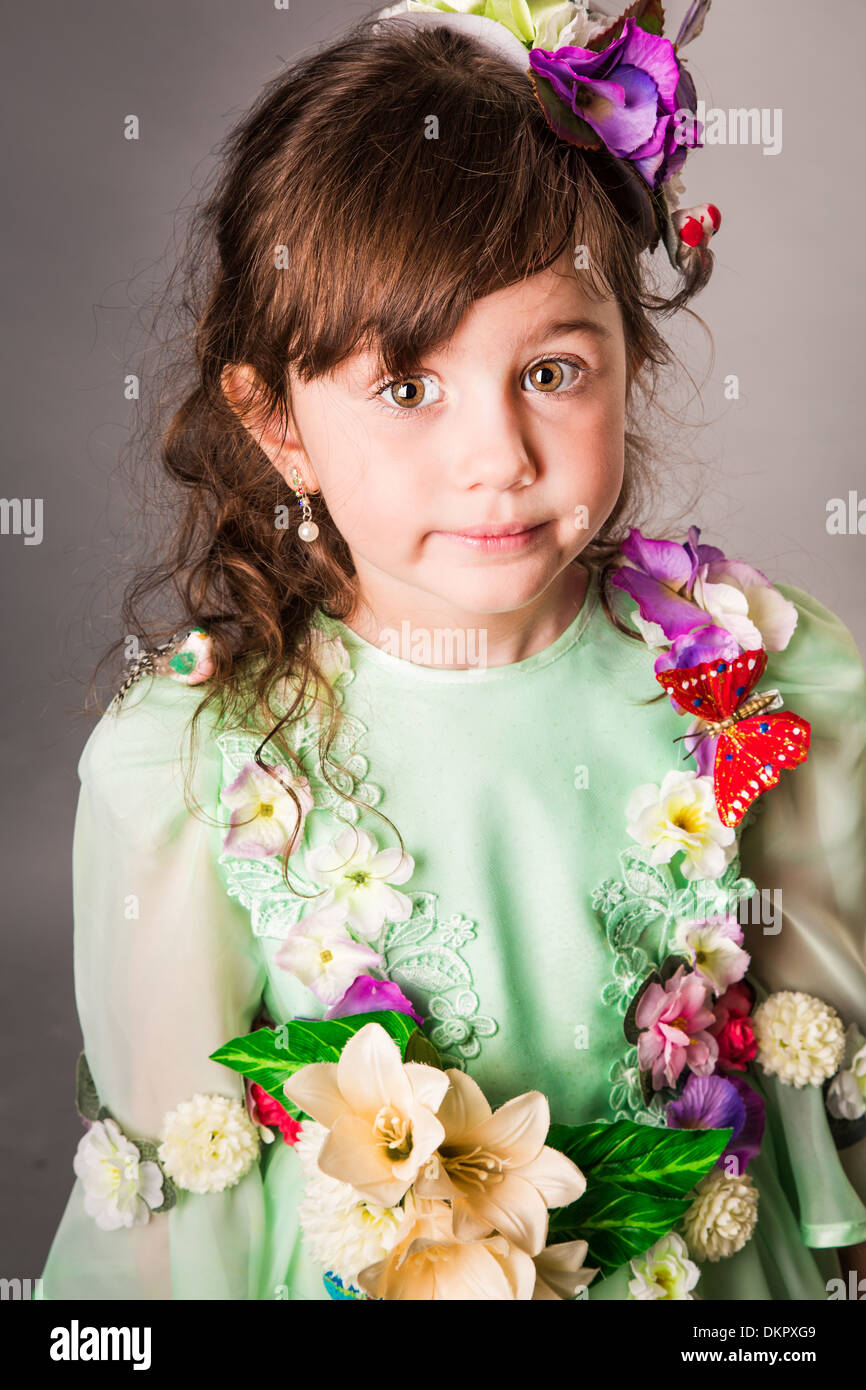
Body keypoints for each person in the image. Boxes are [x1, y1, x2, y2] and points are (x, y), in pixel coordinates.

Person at [37, 1, 866, 1300]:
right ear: (277, 424)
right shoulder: (191, 771)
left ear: (629, 363)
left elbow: (832, 1087)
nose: (500, 459)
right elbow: (167, 1219)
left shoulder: (751, 676)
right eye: (408, 387)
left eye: (549, 371)